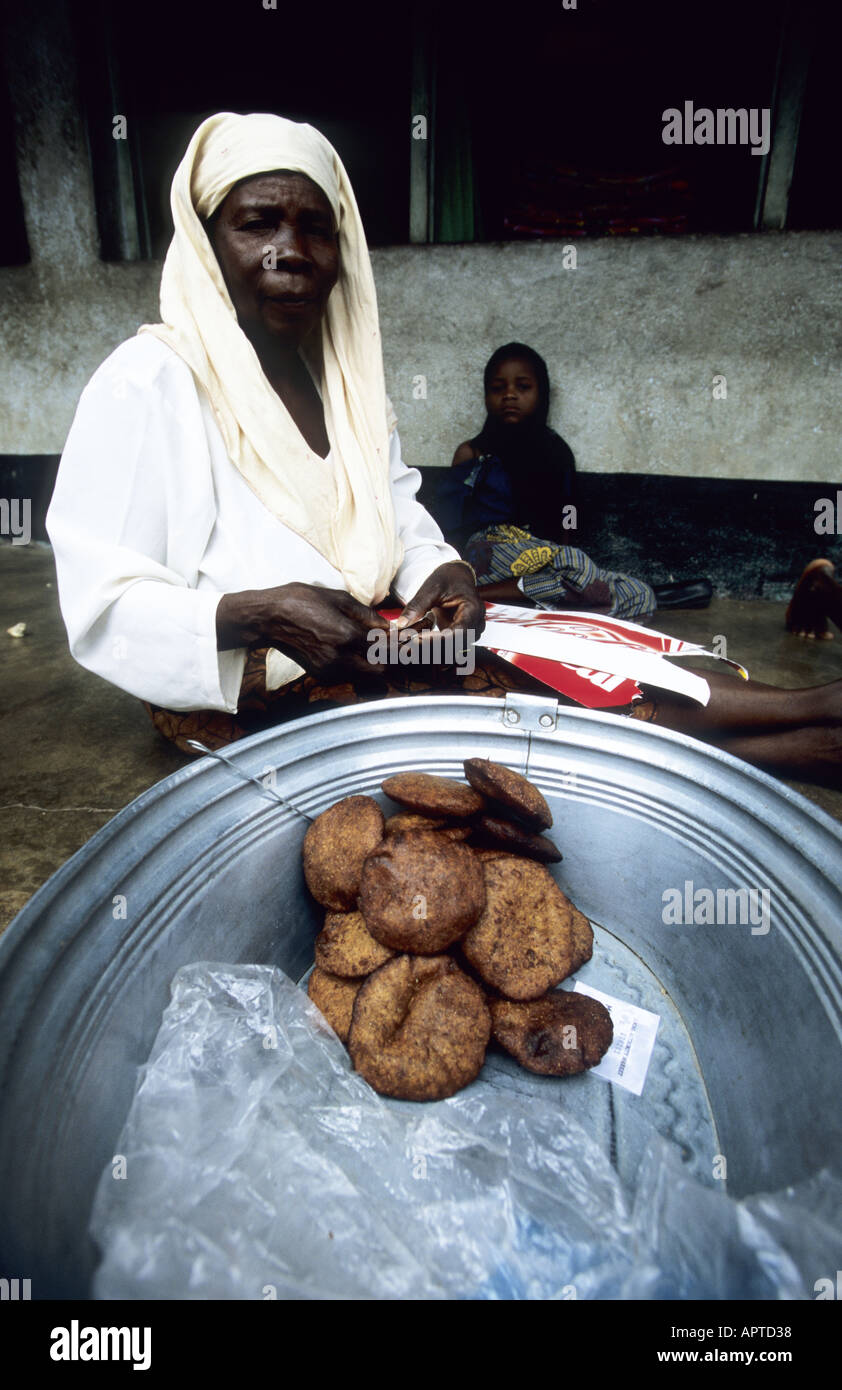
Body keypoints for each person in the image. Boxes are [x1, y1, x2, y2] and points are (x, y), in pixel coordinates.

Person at [47, 113, 842, 785]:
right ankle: (814, 728)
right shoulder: (147, 381)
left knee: (569, 643)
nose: (291, 250)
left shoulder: (344, 383)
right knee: (542, 707)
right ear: (207, 241)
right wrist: (264, 613)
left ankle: (815, 715)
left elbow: (397, 510)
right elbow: (102, 604)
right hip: (240, 689)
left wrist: (445, 570)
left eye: (316, 228)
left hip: (376, 636)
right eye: (257, 222)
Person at [446, 343, 710, 616]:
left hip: (540, 559)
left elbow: (567, 517)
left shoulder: (554, 451)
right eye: (498, 388)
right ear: (486, 395)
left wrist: (560, 557)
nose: (510, 395)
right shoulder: (473, 453)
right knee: (580, 575)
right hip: (486, 554)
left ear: (542, 394)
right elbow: (449, 521)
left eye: (523, 387)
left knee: (632, 593)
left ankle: (522, 596)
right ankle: (470, 591)